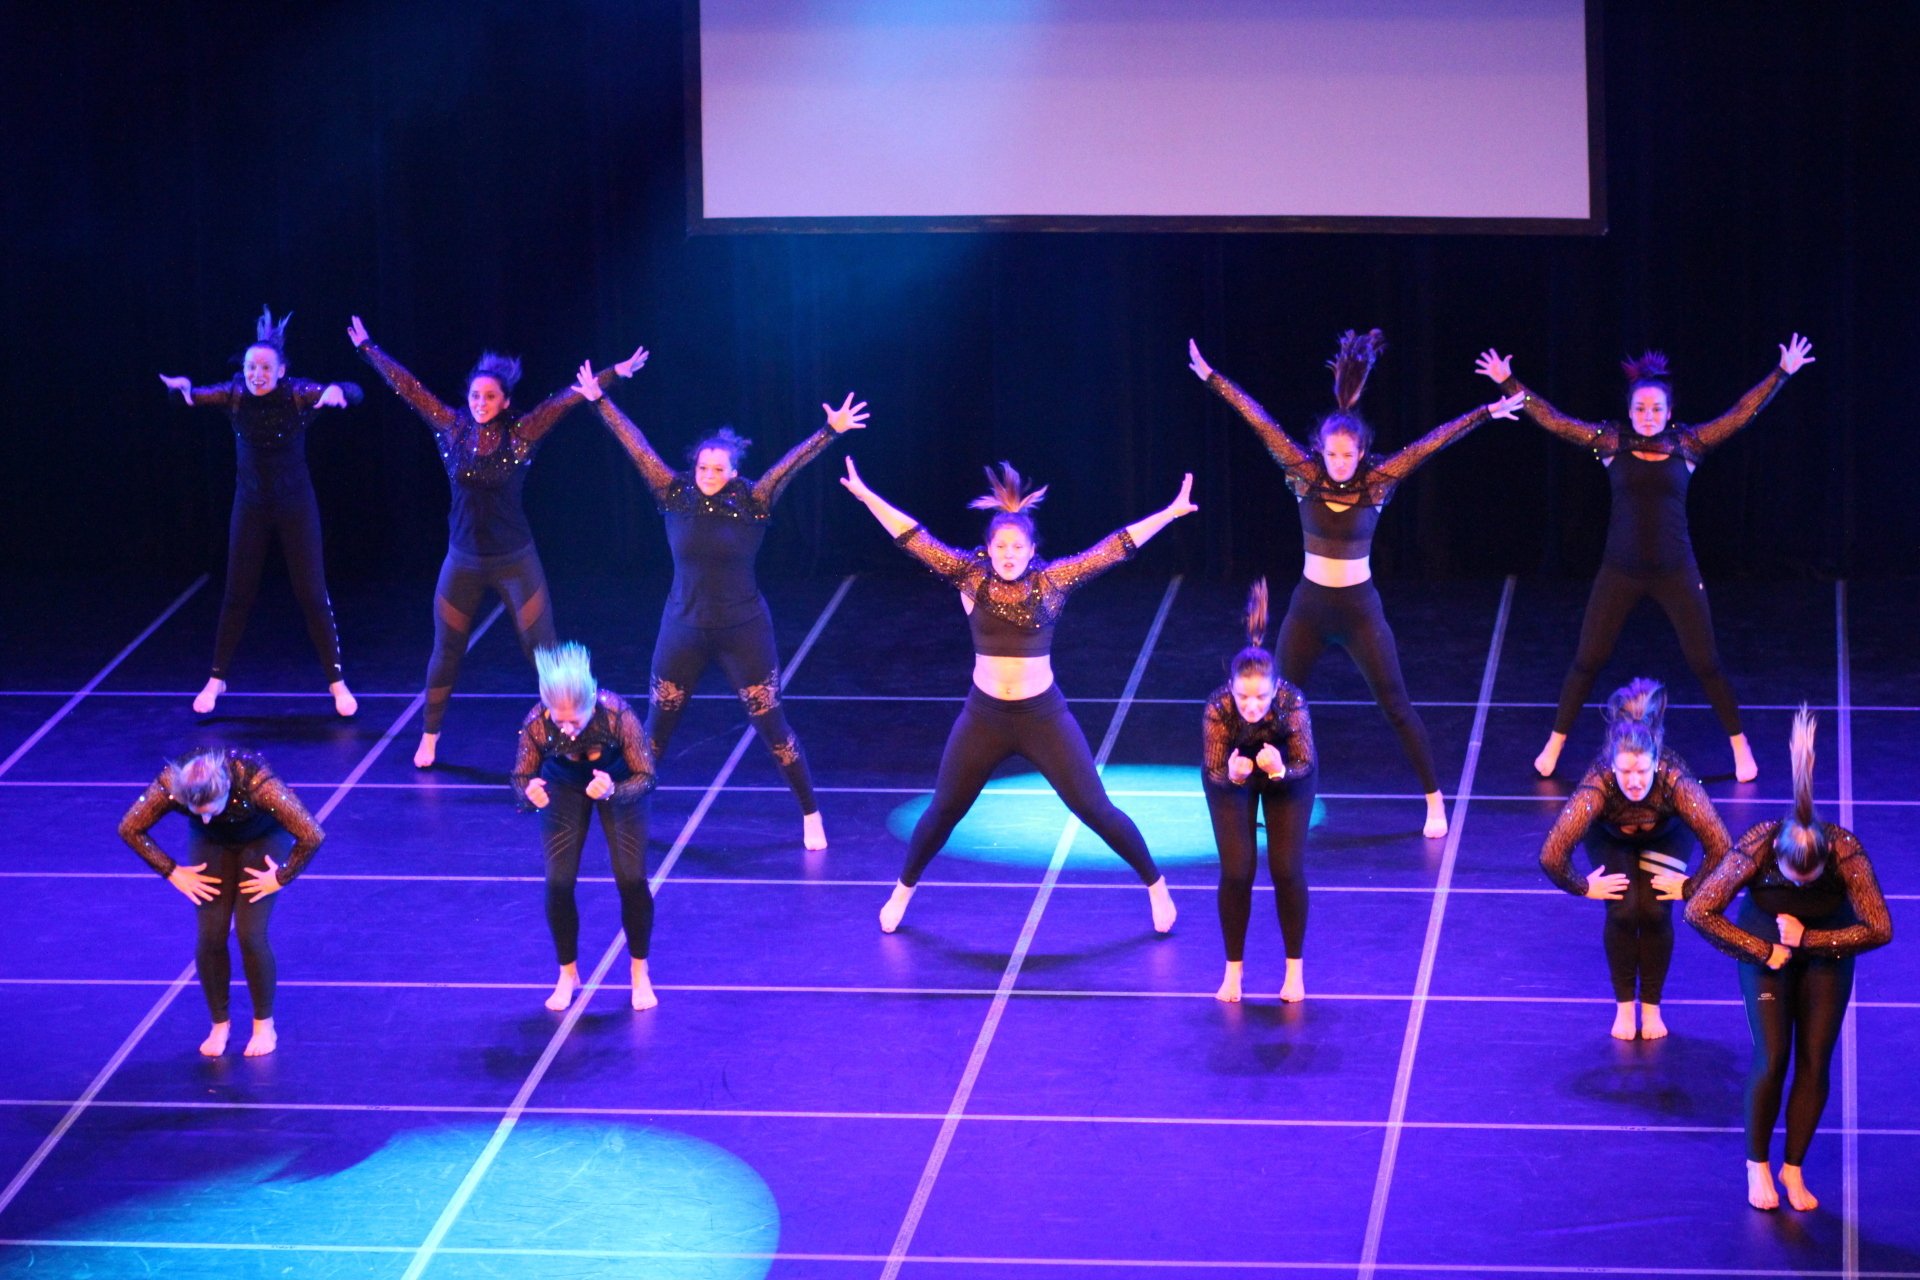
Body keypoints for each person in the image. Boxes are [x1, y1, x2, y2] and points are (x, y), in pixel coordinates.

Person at [840, 456, 1195, 933]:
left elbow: (1116, 547)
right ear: (987, 549)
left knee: (1093, 807)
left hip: (1042, 716)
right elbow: (912, 537)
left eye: (1017, 546)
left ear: (1032, 550)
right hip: (983, 718)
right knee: (944, 810)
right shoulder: (970, 577)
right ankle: (902, 890)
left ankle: (1155, 885)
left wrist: (1170, 513)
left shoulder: (1053, 581)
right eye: (1000, 545)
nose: (1008, 554)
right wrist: (866, 497)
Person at [1190, 332, 1524, 837]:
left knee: (1394, 704)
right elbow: (1258, 421)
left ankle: (1434, 800)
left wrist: (1484, 413)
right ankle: (1261, 799)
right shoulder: (1303, 473)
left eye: (1348, 455)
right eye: (1331, 454)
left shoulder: (1378, 481)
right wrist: (1213, 379)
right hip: (1309, 608)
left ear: (1362, 451)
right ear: (1320, 450)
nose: (1339, 462)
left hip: (1360, 610)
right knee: (1271, 702)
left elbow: (1432, 442)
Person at [1475, 336, 1815, 780]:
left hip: (1676, 571)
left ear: (1669, 412)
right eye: (1640, 409)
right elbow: (1556, 422)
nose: (1648, 416)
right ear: (1629, 411)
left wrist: (1782, 373)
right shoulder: (1611, 442)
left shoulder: (1689, 444)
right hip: (1620, 571)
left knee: (1706, 662)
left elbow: (1739, 415)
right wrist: (1508, 383)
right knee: (1587, 660)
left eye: (1656, 409)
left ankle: (1740, 746)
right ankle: (1553, 746)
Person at [577, 363, 866, 850]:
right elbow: (636, 445)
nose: (708, 475)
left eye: (718, 469)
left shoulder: (754, 499)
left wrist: (829, 431)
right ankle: (628, 806)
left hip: (743, 629)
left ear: (733, 472)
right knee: (656, 730)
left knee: (771, 724)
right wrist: (599, 400)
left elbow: (791, 464)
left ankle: (811, 812)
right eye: (702, 467)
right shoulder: (672, 493)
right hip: (682, 628)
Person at [348, 317, 646, 767]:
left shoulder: (521, 433)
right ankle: (429, 735)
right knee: (445, 650)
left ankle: (579, 733)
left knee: (543, 653)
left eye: (490, 397)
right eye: (475, 396)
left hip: (515, 562)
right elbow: (408, 388)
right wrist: (369, 348)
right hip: (463, 562)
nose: (481, 403)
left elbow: (564, 400)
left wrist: (611, 376)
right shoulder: (451, 428)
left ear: (505, 401)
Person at [1685, 706, 1893, 1212]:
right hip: (1766, 955)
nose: (1800, 885)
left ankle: (1793, 1167)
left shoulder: (1845, 850)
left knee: (1815, 1061)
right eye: (1791, 879)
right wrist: (1763, 948)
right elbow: (1699, 910)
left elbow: (1879, 928)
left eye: (1810, 880)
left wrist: (1808, 941)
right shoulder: (1756, 846)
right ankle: (1757, 1166)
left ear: (1824, 858)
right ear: (1778, 856)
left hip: (1825, 952)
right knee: (1773, 1057)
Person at [159, 307, 363, 716]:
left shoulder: (296, 393)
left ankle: (337, 682)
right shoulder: (234, 393)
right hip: (250, 504)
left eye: (265, 368)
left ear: (281, 370)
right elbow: (193, 395)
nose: (256, 374)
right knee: (238, 591)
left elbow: (353, 391)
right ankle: (216, 678)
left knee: (311, 592)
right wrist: (181, 389)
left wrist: (338, 390)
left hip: (295, 503)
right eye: (251, 367)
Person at [1538, 678, 1732, 1040]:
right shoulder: (1598, 785)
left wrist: (1691, 887)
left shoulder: (1677, 782)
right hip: (1610, 835)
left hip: (1667, 834)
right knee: (1624, 910)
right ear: (1612, 766)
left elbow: (1721, 846)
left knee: (1656, 910)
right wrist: (1583, 887)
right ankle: (1625, 1007)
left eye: (1642, 771)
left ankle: (1652, 1007)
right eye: (1625, 772)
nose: (1634, 781)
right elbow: (1552, 855)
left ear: (1656, 763)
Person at [117, 747, 324, 1056]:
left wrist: (280, 876)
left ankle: (264, 1024)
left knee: (249, 934)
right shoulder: (173, 785)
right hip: (212, 843)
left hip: (261, 838)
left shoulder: (256, 783)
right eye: (198, 813)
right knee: (211, 935)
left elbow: (311, 834)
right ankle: (219, 1024)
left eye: (211, 809)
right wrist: (171, 871)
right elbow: (130, 828)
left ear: (225, 788)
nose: (207, 817)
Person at [510, 643, 660, 1012]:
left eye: (573, 720)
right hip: (563, 785)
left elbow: (648, 776)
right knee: (558, 881)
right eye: (557, 720)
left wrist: (614, 789)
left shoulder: (616, 714)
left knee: (630, 878)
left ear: (590, 699)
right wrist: (530, 794)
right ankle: (567, 972)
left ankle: (639, 971)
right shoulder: (536, 722)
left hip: (617, 782)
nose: (566, 728)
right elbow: (520, 777)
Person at [1203, 579, 1316, 1003]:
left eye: (1261, 697)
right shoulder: (1217, 709)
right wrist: (1232, 777)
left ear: (1274, 689)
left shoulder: (1291, 703)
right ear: (1231, 689)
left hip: (1286, 773)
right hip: (1235, 773)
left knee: (1286, 870)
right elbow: (1213, 770)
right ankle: (1233, 972)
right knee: (1237, 872)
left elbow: (1305, 764)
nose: (1252, 706)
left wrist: (1280, 771)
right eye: (1244, 697)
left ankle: (1294, 972)